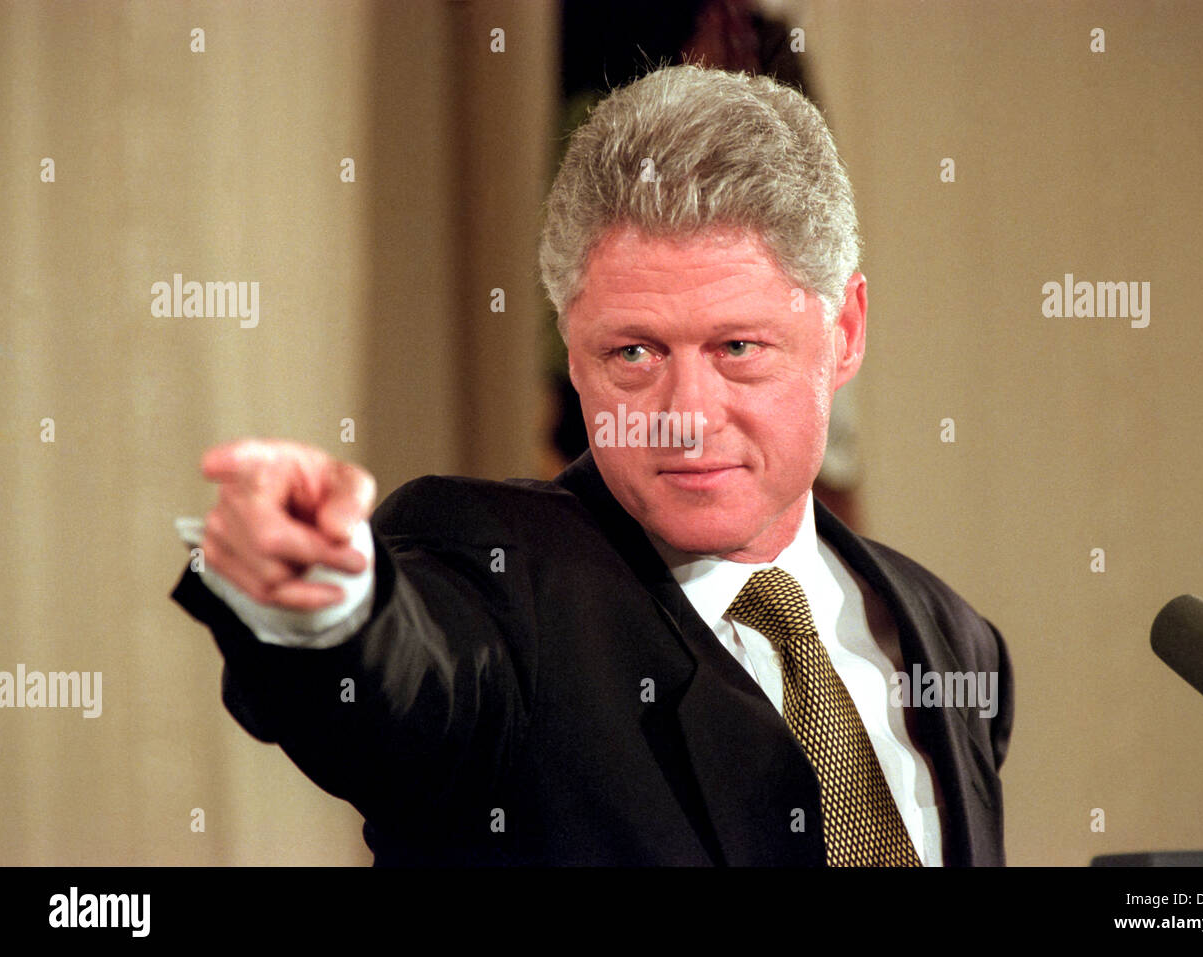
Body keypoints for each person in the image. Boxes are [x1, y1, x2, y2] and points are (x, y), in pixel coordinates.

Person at [172, 64, 1012, 866]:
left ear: (846, 330)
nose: (687, 414)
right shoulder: (499, 579)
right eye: (635, 351)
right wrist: (328, 601)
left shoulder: (955, 642)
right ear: (571, 352)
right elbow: (407, 677)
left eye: (739, 347)